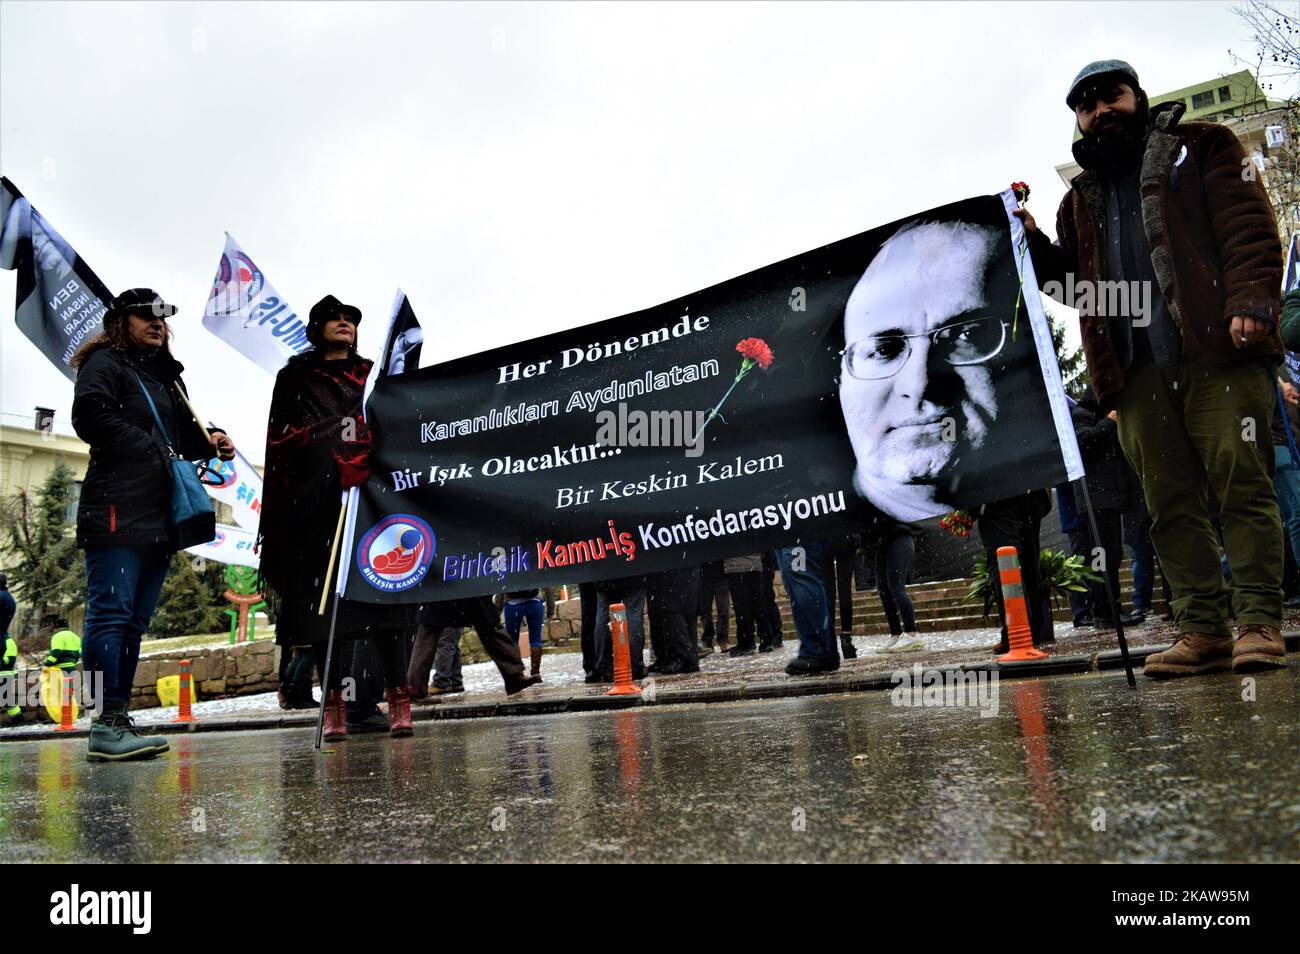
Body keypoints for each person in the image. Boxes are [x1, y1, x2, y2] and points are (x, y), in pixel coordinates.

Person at [1019, 59, 1287, 676]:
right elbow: (1078, 290)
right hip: (1135, 375)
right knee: (1168, 505)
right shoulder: (1078, 200)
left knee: (1241, 486)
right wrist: (1030, 241)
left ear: (1137, 97)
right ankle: (1203, 630)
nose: (1100, 111)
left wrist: (1250, 301)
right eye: (1086, 106)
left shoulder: (1204, 147)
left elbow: (1250, 227)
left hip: (1217, 351)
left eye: (1111, 97)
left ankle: (1259, 623)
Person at [70, 288, 236, 760]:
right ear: (121, 322)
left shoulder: (164, 378)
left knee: (135, 622)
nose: (157, 324)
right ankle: (104, 722)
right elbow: (90, 418)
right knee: (111, 613)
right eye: (146, 316)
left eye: (162, 318)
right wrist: (152, 449)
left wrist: (213, 440)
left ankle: (118, 719)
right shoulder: (105, 364)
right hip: (116, 509)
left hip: (159, 513)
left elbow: (183, 435)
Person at [257, 294, 414, 741]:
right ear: (317, 328)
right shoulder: (295, 377)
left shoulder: (371, 375)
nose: (344, 323)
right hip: (316, 505)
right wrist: (332, 454)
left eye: (350, 319)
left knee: (384, 594)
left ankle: (399, 697)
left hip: (371, 499)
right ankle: (334, 707)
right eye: (335, 319)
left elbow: (394, 422)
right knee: (326, 607)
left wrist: (368, 452)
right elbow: (282, 437)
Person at [839, 216, 1054, 521]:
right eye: (884, 350)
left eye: (967, 335)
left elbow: (1079, 288)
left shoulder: (1023, 503)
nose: (919, 384)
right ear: (841, 380)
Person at [1069, 390, 1143, 628]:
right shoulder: (1081, 415)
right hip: (1096, 499)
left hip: (1108, 498)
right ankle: (1105, 609)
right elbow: (1084, 443)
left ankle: (1111, 606)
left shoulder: (1095, 416)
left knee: (1111, 555)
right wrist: (1110, 422)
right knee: (1102, 556)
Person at [976, 491, 1054, 651]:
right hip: (1031, 493)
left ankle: (1017, 632)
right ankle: (1031, 628)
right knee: (1027, 559)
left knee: (1004, 560)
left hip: (996, 496)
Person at [418, 597, 541, 695]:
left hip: (460, 580)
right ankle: (420, 686)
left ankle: (514, 677)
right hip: (452, 582)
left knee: (487, 622)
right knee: (434, 628)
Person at [777, 542, 838, 675]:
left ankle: (817, 649)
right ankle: (820, 648)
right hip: (781, 527)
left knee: (800, 573)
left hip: (797, 525)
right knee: (792, 578)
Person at [867, 517, 923, 653]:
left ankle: (912, 633)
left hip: (900, 536)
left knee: (896, 587)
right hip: (882, 541)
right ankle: (895, 634)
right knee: (883, 590)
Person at [589, 574, 647, 683]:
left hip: (604, 571)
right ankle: (633, 665)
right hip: (633, 568)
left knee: (605, 615)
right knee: (633, 613)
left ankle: (604, 666)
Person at [647, 565, 701, 675]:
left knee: (671, 613)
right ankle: (676, 657)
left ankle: (683, 658)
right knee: (674, 614)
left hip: (670, 575)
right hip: (678, 572)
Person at [822, 536, 859, 658]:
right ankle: (846, 641)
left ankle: (830, 643)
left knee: (829, 593)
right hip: (844, 535)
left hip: (823, 538)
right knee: (844, 590)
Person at [503, 589, 546, 681]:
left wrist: (498, 608)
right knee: (536, 640)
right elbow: (548, 586)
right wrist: (551, 606)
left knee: (513, 641)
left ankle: (518, 673)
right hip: (535, 602)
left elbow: (500, 584)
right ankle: (536, 672)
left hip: (512, 604)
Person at [696, 560, 730, 654]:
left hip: (720, 573)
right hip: (704, 574)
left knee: (723, 608)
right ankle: (708, 640)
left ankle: (723, 640)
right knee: (705, 610)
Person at [0, 574, 18, 724]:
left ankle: (17, 717)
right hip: (6, 671)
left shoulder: (1, 597)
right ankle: (16, 716)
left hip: (5, 671)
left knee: (6, 696)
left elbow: (10, 656)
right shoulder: (9, 598)